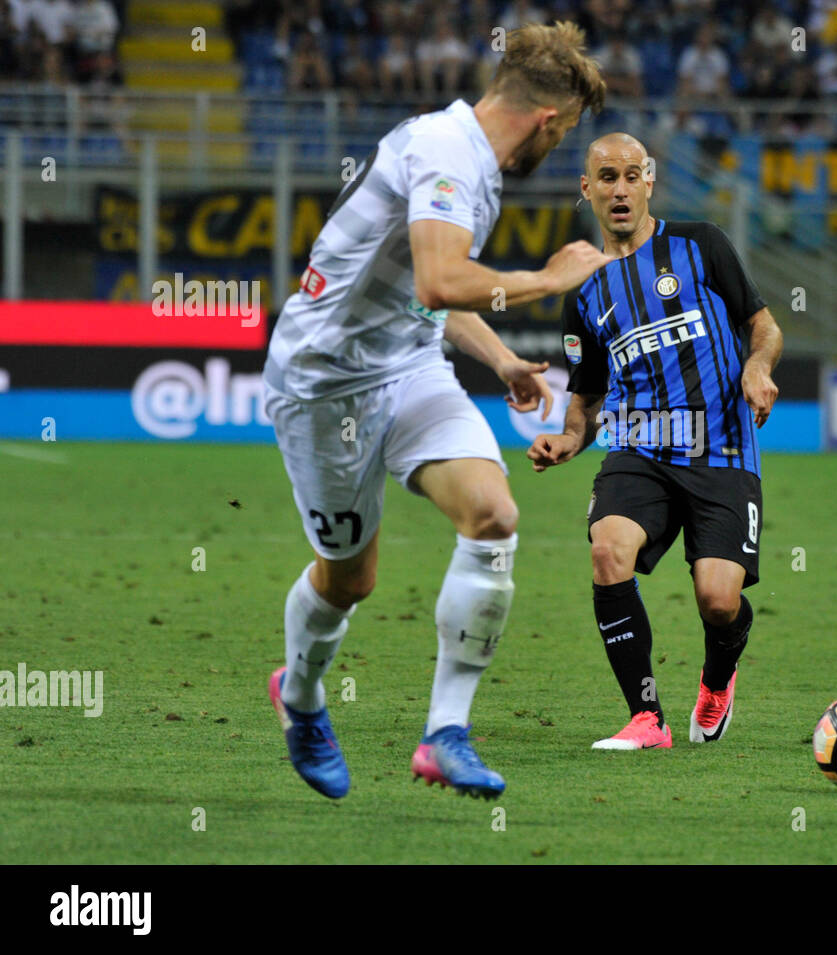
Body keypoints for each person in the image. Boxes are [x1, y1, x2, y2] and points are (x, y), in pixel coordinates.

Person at [261, 22, 610, 800]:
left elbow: (418, 299)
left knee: (493, 514)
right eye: (566, 134)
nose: (558, 150)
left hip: (407, 367)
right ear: (549, 120)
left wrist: (501, 358)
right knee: (349, 581)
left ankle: (445, 733)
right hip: (323, 385)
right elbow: (438, 282)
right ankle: (302, 695)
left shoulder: (462, 152)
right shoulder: (449, 155)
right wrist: (549, 277)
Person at [526, 133, 783, 750]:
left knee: (719, 601)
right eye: (606, 177)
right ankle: (648, 719)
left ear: (650, 180)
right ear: (586, 189)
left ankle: (717, 682)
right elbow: (586, 397)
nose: (619, 189)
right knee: (608, 551)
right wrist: (567, 438)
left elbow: (763, 325)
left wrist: (758, 367)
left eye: (631, 175)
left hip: (721, 448)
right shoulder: (584, 292)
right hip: (637, 450)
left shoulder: (701, 244)